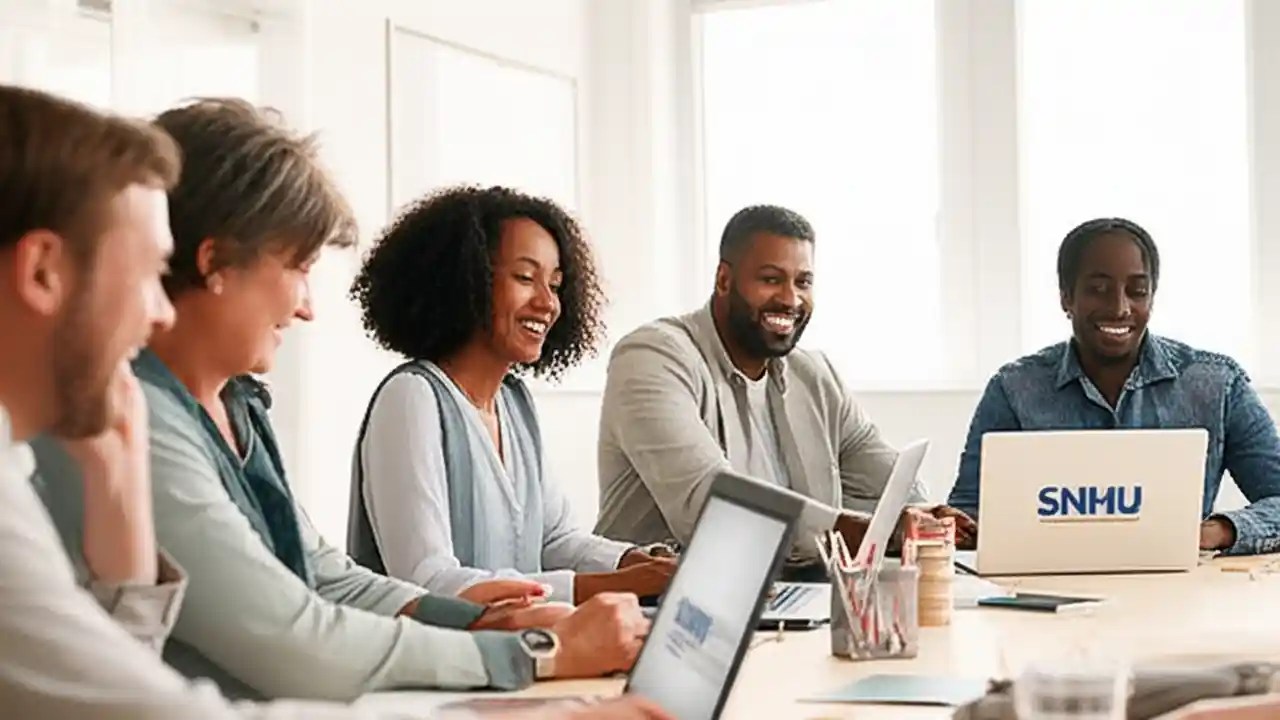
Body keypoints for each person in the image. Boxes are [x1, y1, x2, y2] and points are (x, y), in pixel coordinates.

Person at [32, 99, 650, 704]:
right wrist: (531, 651)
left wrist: (472, 622)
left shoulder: (239, 404)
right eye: (299, 268)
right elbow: (291, 637)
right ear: (214, 262)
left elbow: (321, 572)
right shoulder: (138, 411)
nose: (306, 307)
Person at [348, 185, 676, 605]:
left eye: (555, 285)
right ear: (465, 281)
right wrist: (619, 585)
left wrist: (635, 562)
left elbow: (554, 538)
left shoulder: (514, 403)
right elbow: (427, 580)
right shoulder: (411, 398)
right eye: (525, 278)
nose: (548, 303)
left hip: (518, 641)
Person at [595, 204, 973, 559]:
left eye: (803, 282)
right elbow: (713, 507)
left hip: (788, 592)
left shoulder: (815, 376)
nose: (790, 299)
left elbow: (889, 486)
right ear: (724, 280)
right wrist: (883, 531)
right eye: (771, 280)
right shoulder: (652, 357)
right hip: (654, 597)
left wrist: (926, 515)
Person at [946, 217, 1280, 556]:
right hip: (1046, 580)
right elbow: (968, 513)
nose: (1120, 308)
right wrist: (950, 526)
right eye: (1098, 290)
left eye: (1137, 291)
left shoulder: (1217, 384)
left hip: (1178, 582)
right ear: (1066, 297)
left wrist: (1218, 531)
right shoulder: (1014, 389)